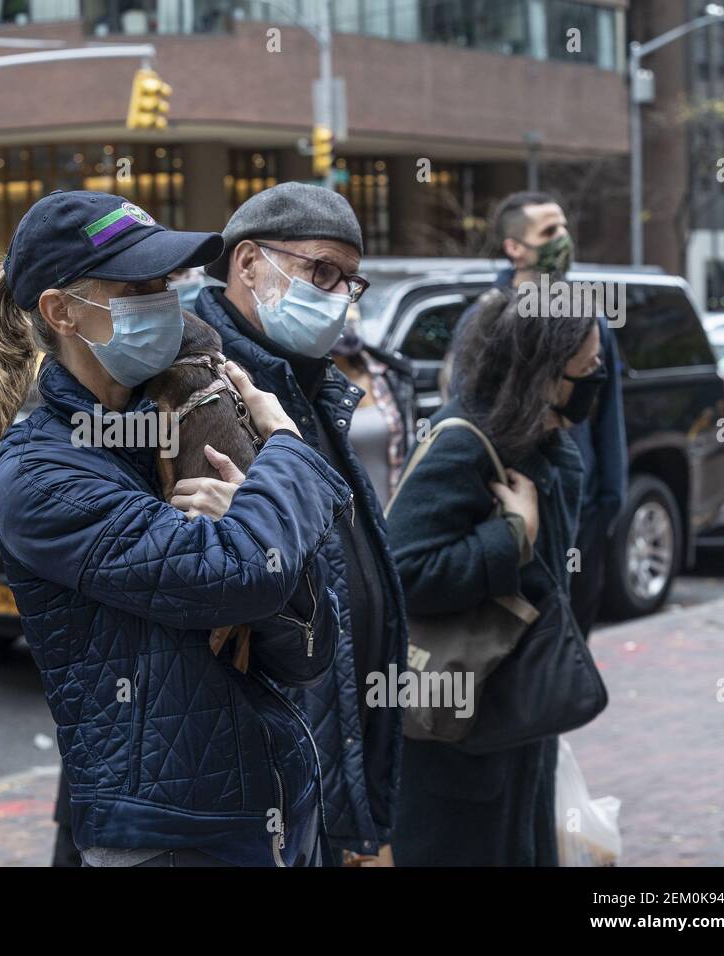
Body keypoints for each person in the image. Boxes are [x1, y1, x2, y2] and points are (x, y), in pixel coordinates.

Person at [0, 189, 349, 867]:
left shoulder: (178, 429)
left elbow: (306, 648)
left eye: (167, 281)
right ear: (62, 312)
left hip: (268, 811)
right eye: (138, 285)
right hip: (169, 839)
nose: (166, 301)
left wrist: (258, 523)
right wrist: (286, 448)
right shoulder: (40, 474)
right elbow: (239, 575)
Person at [194, 182, 406, 865]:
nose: (339, 295)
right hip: (255, 784)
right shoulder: (201, 383)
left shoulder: (306, 379)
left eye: (351, 280)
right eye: (321, 271)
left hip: (319, 773)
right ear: (247, 262)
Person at [386, 290, 602, 866]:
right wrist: (510, 537)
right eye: (587, 369)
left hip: (519, 710)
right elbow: (403, 569)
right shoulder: (463, 441)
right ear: (542, 374)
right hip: (458, 724)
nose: (597, 379)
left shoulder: (550, 441)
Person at [447, 191, 626, 637]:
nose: (562, 238)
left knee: (569, 649)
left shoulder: (588, 319)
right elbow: (467, 416)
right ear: (514, 246)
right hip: (509, 515)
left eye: (563, 227)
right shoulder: (485, 318)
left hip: (578, 513)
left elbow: (608, 415)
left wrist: (608, 502)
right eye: (548, 231)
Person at [328, 304, 418, 509]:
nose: (346, 327)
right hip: (348, 518)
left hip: (397, 509)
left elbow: (412, 441)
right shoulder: (311, 386)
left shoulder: (390, 375)